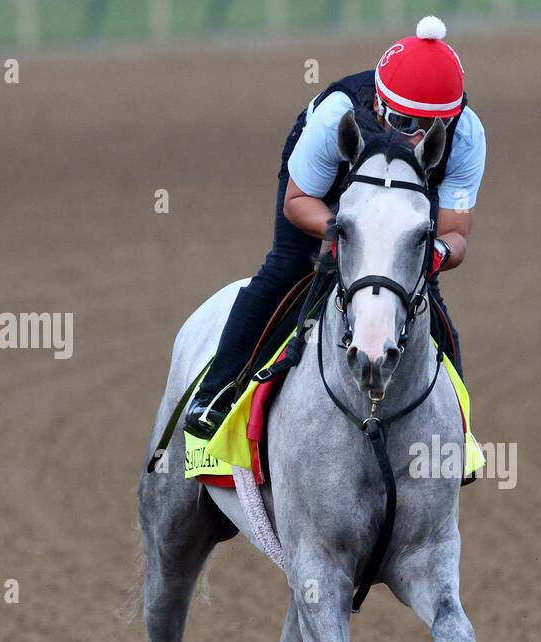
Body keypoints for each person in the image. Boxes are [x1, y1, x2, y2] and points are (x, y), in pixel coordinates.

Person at [184, 15, 486, 440]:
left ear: (450, 122)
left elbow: (456, 234)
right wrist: (345, 231)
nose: (411, 140)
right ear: (380, 104)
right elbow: (297, 202)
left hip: (405, 207)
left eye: (427, 130)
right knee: (287, 267)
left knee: (426, 296)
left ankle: (457, 433)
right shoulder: (335, 117)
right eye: (402, 123)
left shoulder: (468, 135)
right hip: (326, 192)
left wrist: (432, 253)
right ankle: (215, 394)